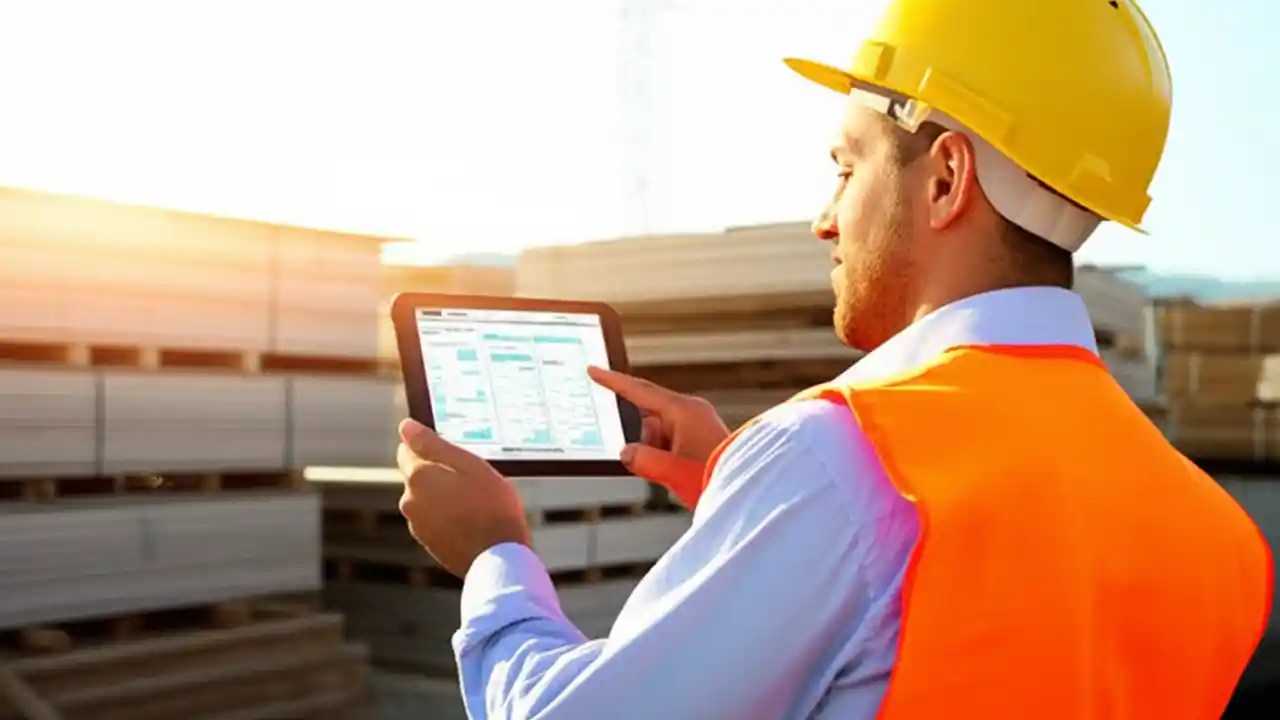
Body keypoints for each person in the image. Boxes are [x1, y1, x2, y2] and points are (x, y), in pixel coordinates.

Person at [395, 0, 1274, 717]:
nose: (826, 217)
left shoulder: (837, 462)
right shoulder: (1218, 536)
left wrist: (494, 558)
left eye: (846, 169)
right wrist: (746, 485)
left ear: (945, 179)